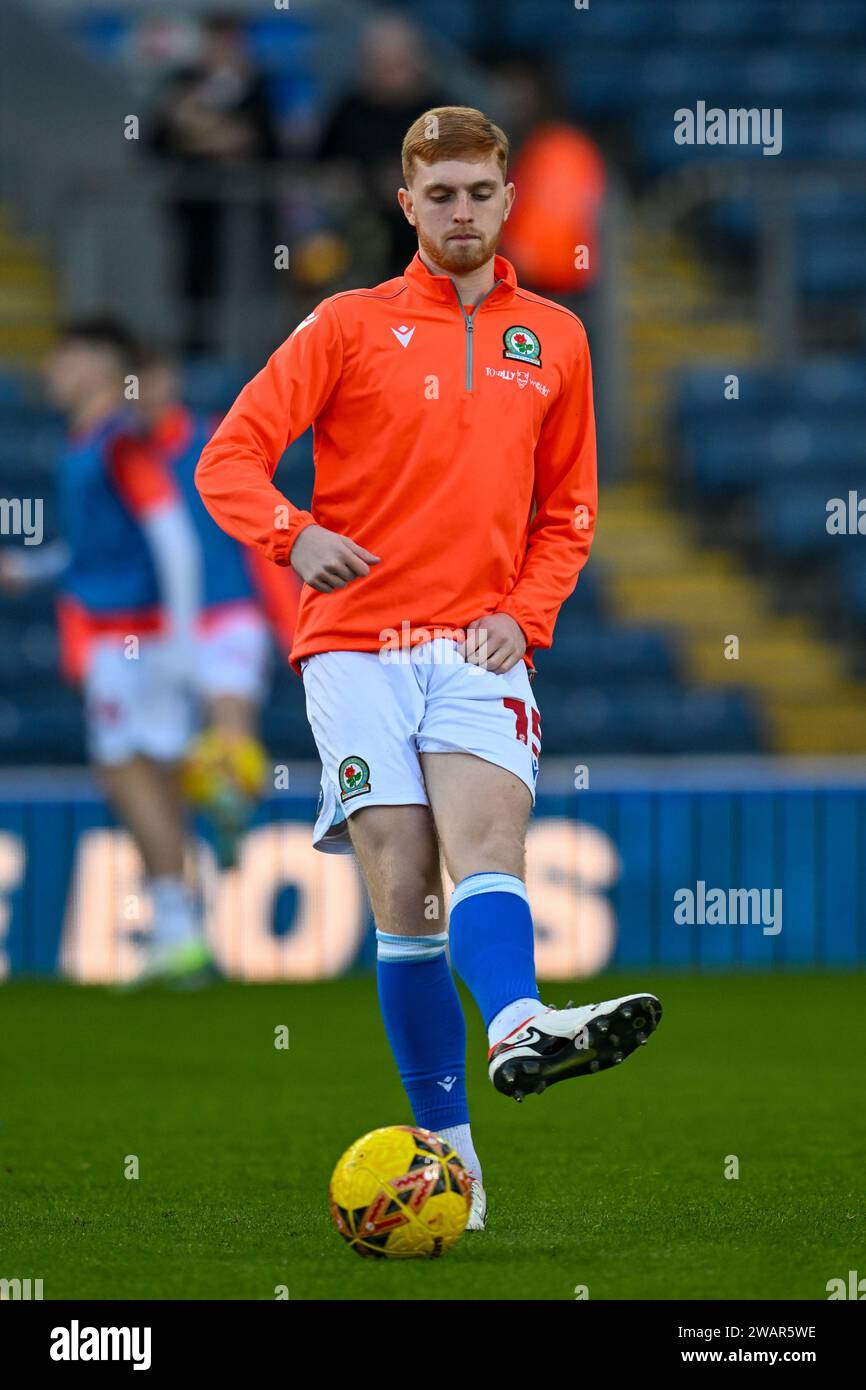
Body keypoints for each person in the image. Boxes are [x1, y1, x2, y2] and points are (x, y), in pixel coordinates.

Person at [195, 107, 662, 1231]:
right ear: (406, 205)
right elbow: (230, 456)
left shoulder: (554, 335)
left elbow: (572, 507)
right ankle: (453, 1157)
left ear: (507, 202)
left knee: (486, 844)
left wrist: (527, 612)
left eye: (478, 193)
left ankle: (516, 1026)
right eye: (438, 194)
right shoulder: (346, 325)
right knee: (403, 892)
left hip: (476, 643)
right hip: (354, 645)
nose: (460, 211)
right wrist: (290, 533)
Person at [0, 318, 210, 985]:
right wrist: (32, 571)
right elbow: (101, 548)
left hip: (130, 639)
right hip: (136, 634)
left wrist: (181, 643)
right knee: (153, 770)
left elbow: (173, 537)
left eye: (64, 358)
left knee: (125, 770)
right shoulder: (90, 444)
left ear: (94, 364)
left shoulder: (117, 445)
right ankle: (182, 930)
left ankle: (177, 926)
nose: (53, 372)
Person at [136, 346, 277, 869]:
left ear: (169, 379)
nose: (144, 394)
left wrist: (287, 615)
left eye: (150, 379)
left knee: (230, 714)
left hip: (229, 611)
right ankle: (189, 831)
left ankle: (229, 810)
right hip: (159, 625)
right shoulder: (126, 458)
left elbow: (262, 524)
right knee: (165, 742)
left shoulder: (214, 440)